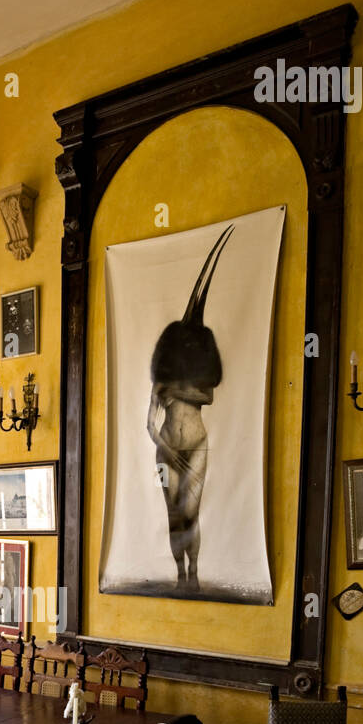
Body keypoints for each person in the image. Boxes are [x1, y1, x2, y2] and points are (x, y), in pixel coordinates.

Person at [147, 225, 234, 592]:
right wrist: (168, 450)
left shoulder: (190, 379)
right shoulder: (162, 380)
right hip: (166, 448)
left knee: (192, 513)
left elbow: (209, 397)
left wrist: (179, 391)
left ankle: (194, 570)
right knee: (173, 514)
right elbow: (149, 425)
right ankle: (180, 574)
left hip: (197, 445)